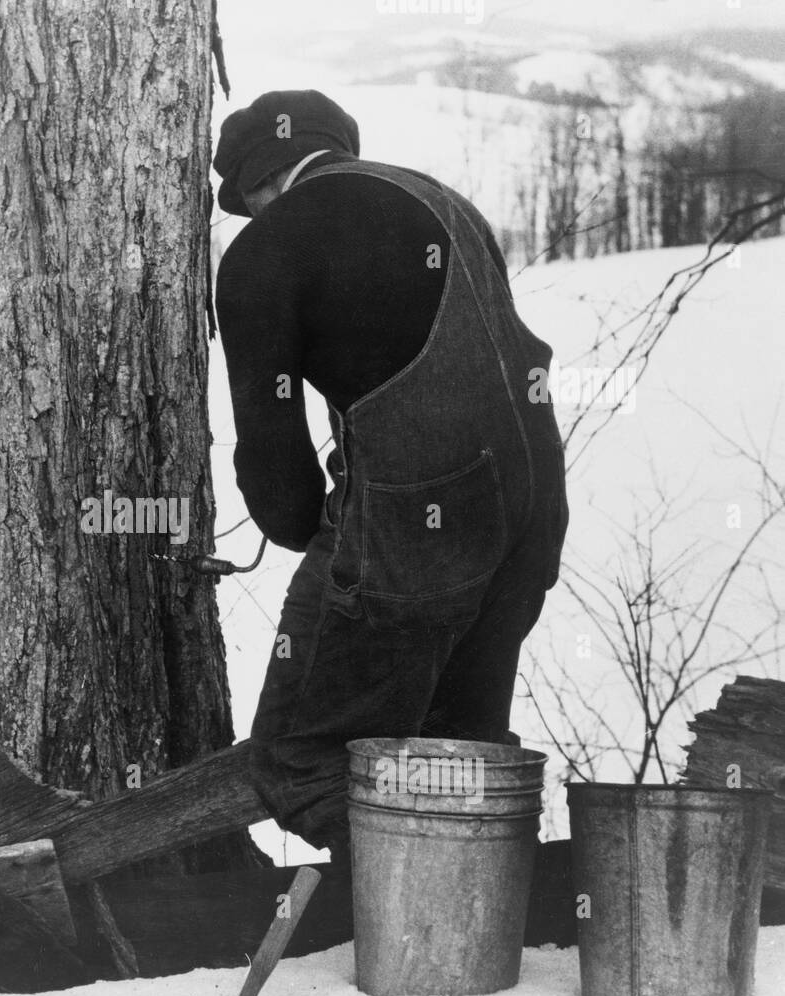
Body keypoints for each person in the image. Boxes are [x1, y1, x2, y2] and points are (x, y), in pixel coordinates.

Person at [213, 90, 569, 862]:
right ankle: (481, 905)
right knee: (459, 751)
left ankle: (409, 908)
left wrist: (311, 533)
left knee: (308, 761)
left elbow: (274, 462)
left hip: (418, 525)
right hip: (532, 517)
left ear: (256, 183)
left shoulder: (265, 249)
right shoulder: (442, 201)